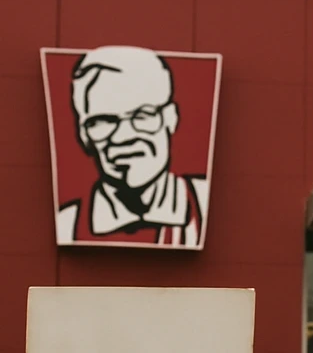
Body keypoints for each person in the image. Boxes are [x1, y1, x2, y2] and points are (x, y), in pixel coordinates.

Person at [56, 45, 208, 247]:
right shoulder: (67, 225)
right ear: (84, 134)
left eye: (142, 115)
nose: (123, 137)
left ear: (170, 118)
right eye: (103, 121)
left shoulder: (208, 205)